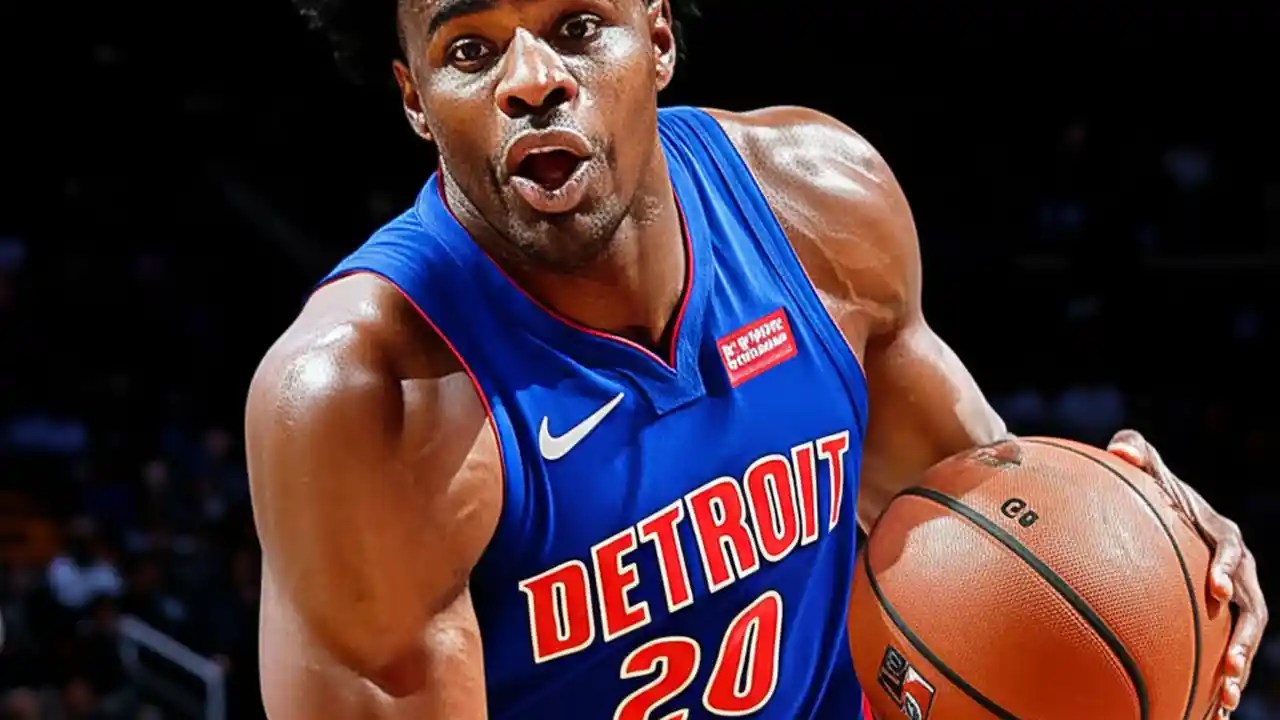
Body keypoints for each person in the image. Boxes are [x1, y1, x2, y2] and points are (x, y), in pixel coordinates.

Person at [246, 0, 1268, 717]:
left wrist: (1154, 552)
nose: (530, 81)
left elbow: (979, 524)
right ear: (415, 96)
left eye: (576, 28)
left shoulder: (818, 204)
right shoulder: (367, 397)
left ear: (656, 36)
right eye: (468, 48)